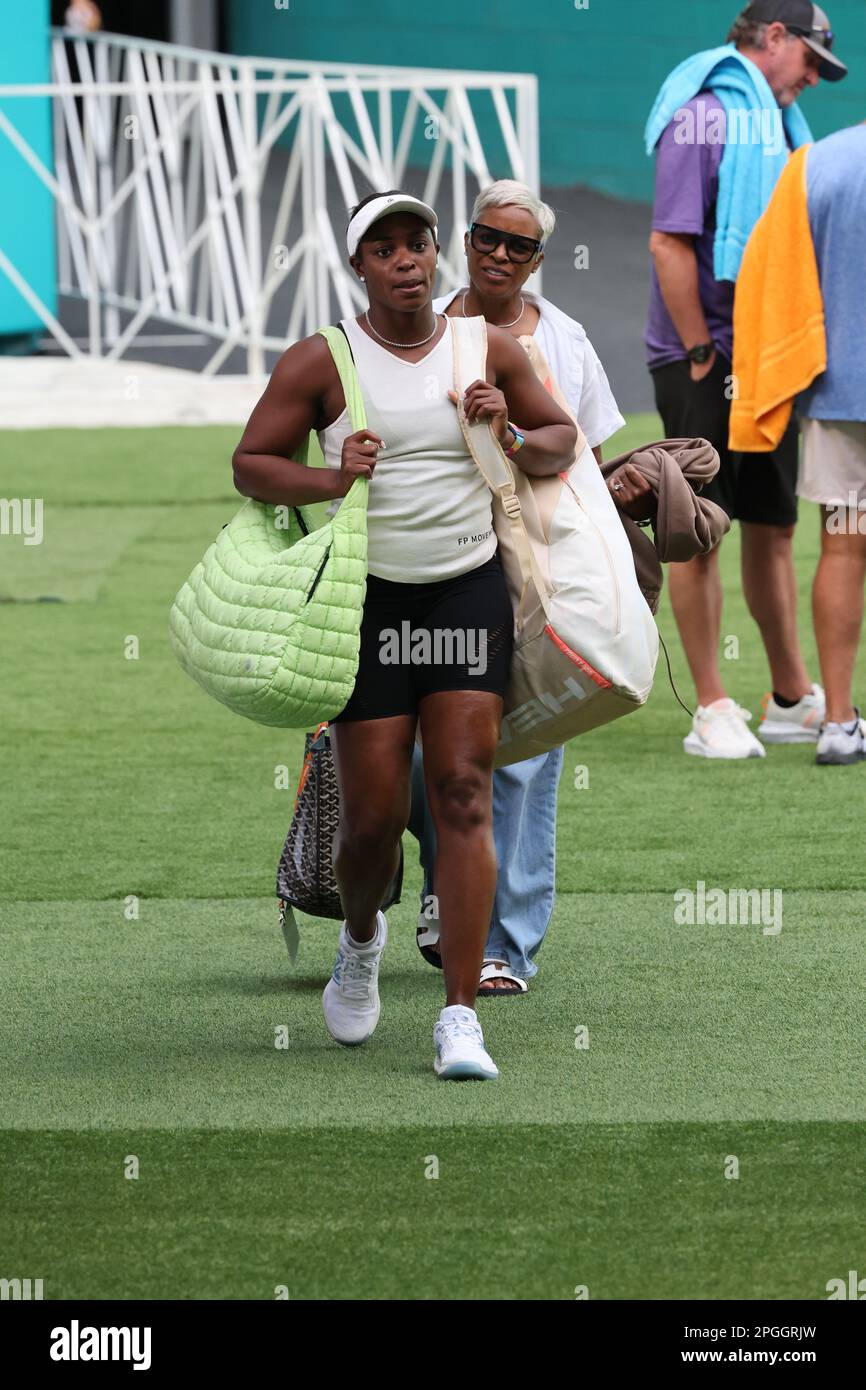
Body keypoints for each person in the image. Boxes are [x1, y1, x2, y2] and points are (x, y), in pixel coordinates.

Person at [232, 191, 576, 1078]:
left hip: (464, 594)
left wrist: (506, 424)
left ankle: (459, 1015)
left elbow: (560, 439)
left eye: (417, 244)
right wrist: (328, 474)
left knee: (463, 791)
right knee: (374, 821)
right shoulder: (325, 359)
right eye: (383, 250)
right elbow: (251, 465)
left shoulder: (484, 346)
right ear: (360, 268)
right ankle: (359, 940)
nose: (406, 261)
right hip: (372, 605)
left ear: (435, 253)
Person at [407, 179, 628, 996]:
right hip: (438, 554)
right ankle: (445, 895)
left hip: (539, 561)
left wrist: (517, 431)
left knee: (530, 753)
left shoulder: (563, 339)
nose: (500, 255)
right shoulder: (422, 327)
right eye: (487, 238)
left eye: (520, 246)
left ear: (539, 260)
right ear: (465, 240)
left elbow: (587, 456)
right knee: (426, 739)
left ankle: (507, 943)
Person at [645, 0, 847, 758]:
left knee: (773, 526)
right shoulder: (703, 115)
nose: (814, 82)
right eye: (811, 63)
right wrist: (701, 351)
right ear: (773, 39)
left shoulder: (784, 128)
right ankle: (711, 706)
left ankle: (791, 696)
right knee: (701, 531)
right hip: (704, 355)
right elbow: (668, 243)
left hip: (769, 354)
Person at [732, 123, 866, 765]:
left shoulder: (817, 163)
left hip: (842, 400)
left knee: (843, 549)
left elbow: (768, 270)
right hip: (839, 399)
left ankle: (838, 723)